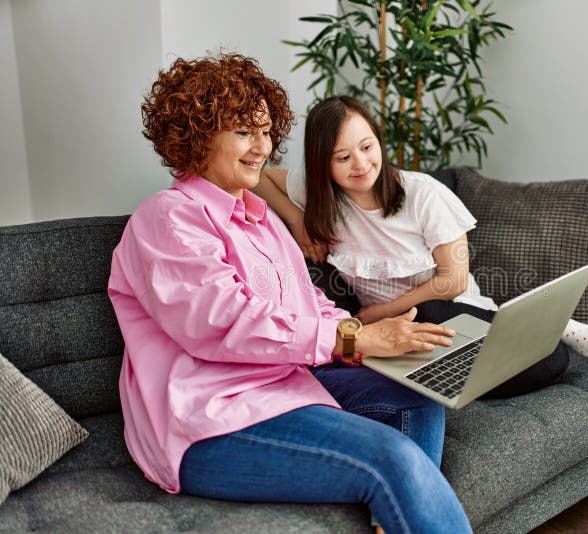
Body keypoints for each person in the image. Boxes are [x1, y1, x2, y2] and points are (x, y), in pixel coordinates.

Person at [108, 53, 473, 534]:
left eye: (265, 131)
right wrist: (358, 339)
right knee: (392, 456)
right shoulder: (169, 217)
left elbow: (309, 305)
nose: (261, 147)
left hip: (289, 385)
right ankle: (401, 487)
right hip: (212, 419)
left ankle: (397, 511)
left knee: (421, 391)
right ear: (197, 136)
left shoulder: (262, 220)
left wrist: (372, 334)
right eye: (243, 131)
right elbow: (224, 323)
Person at [252, 96, 588, 398]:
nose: (361, 164)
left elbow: (453, 281)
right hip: (396, 334)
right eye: (343, 158)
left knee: (542, 358)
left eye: (367, 147)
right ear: (322, 165)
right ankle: (497, 348)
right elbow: (262, 178)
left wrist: (380, 312)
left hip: (452, 311)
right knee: (416, 352)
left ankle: (549, 326)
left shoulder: (423, 195)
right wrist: (298, 222)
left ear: (379, 141)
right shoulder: (319, 194)